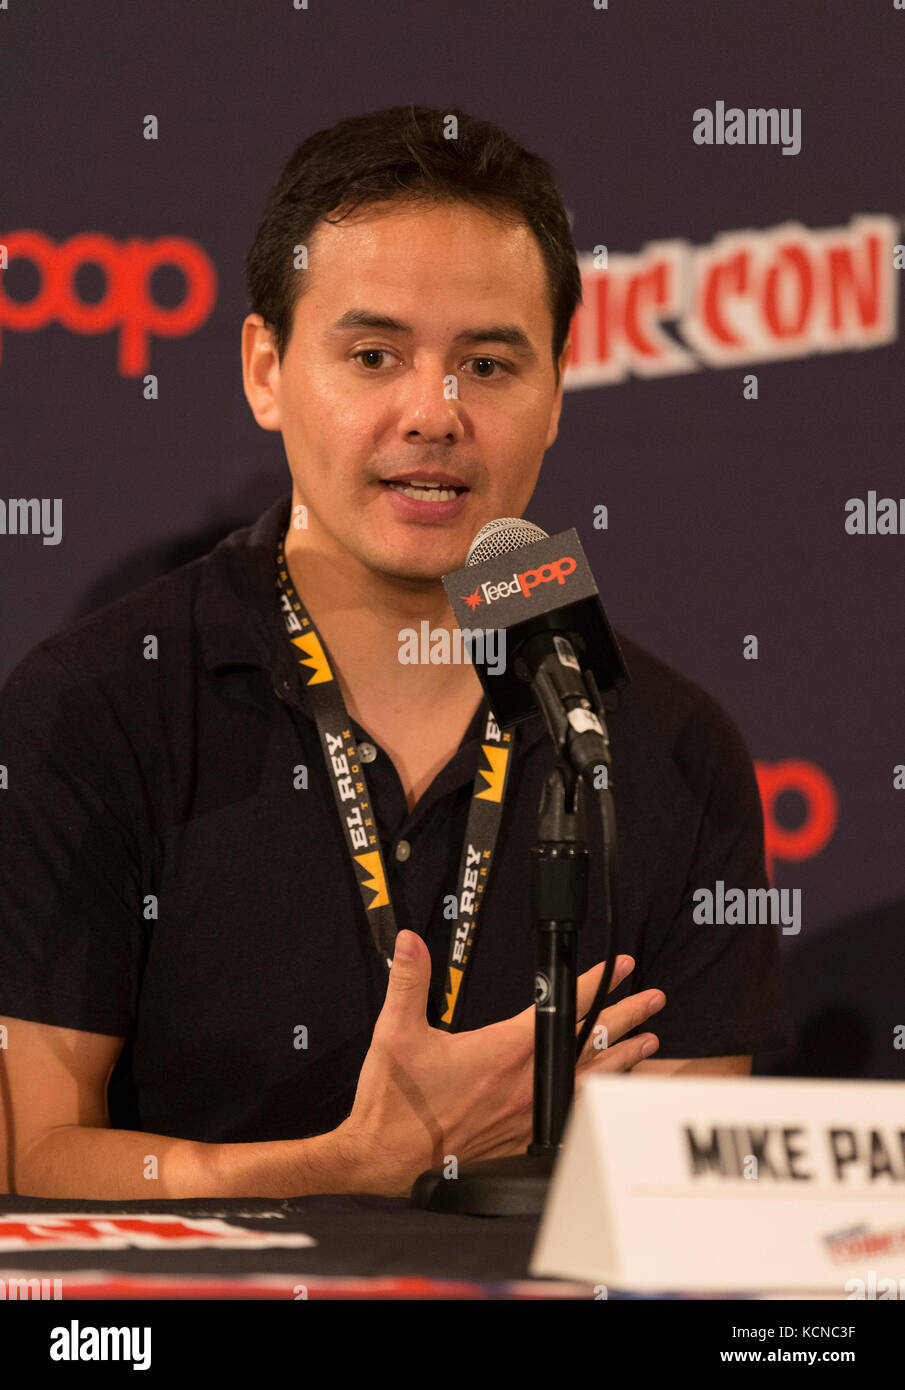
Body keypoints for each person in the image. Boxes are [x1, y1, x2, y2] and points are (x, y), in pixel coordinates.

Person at [0, 105, 793, 1201]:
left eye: (488, 363)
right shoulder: (93, 707)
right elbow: (31, 1166)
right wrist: (354, 1168)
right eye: (373, 355)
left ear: (558, 387)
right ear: (265, 367)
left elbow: (712, 1212)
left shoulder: (670, 747)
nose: (434, 411)